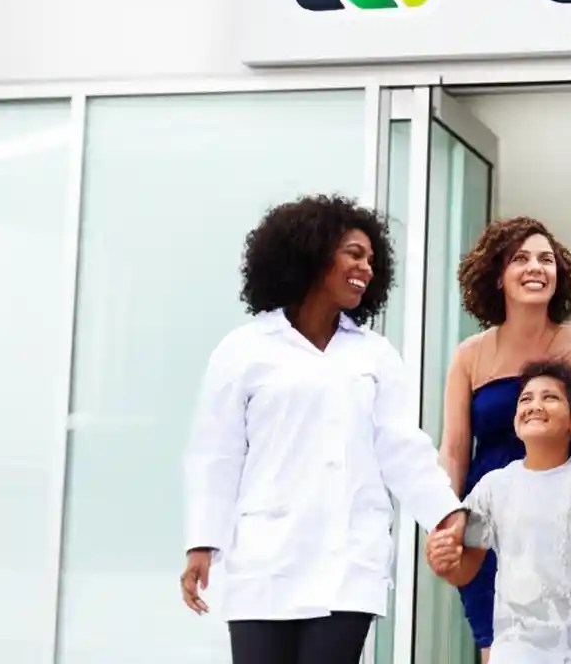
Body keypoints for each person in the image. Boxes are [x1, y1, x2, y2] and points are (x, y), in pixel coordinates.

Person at [180, 194, 467, 664]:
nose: (367, 268)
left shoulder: (374, 354)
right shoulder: (245, 350)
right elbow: (217, 452)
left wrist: (444, 513)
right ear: (311, 255)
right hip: (265, 558)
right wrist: (201, 542)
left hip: (347, 560)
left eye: (372, 259)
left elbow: (401, 447)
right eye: (354, 253)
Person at [439, 216, 571, 661]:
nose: (536, 267)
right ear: (498, 274)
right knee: (499, 648)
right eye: (521, 259)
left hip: (559, 529)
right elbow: (454, 449)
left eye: (546, 259)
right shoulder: (470, 355)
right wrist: (445, 519)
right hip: (487, 521)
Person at [426, 360, 571, 664]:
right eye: (525, 399)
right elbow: (466, 568)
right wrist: (445, 561)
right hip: (516, 648)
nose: (534, 405)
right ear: (515, 419)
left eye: (550, 397)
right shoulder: (493, 487)